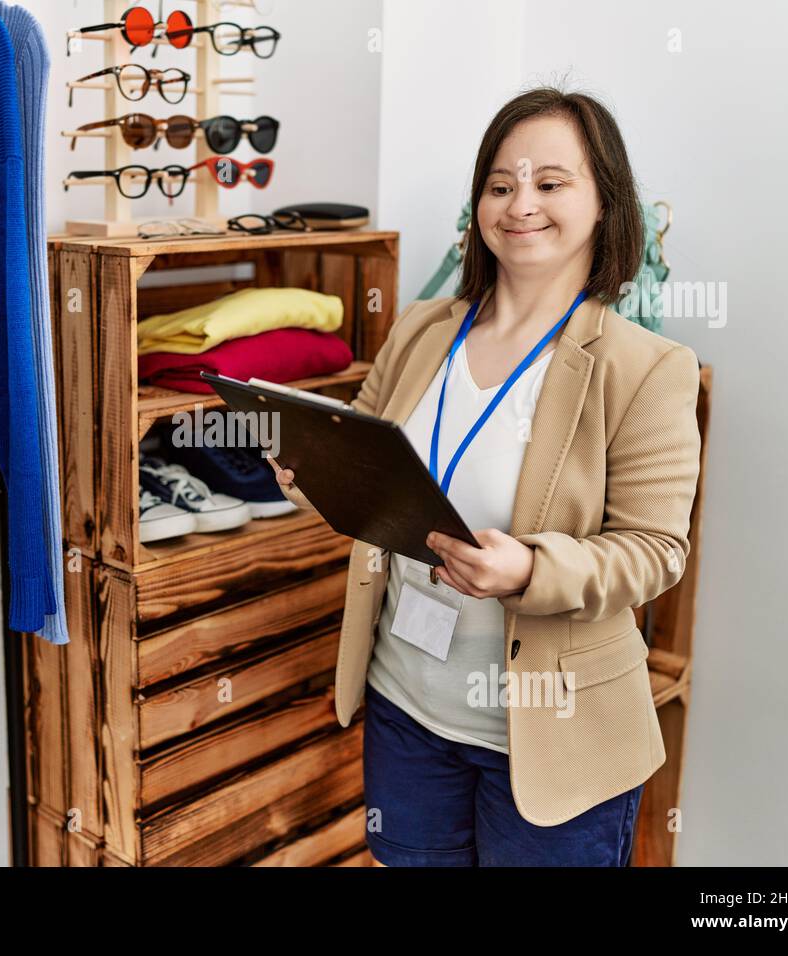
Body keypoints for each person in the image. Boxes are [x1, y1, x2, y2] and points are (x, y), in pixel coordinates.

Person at [269, 87, 702, 866]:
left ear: (606, 203)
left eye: (550, 183)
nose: (519, 204)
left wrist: (531, 568)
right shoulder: (422, 328)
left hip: (552, 737)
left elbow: (655, 552)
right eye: (500, 184)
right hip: (406, 710)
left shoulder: (646, 367)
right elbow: (366, 452)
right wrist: (309, 470)